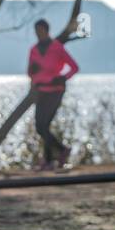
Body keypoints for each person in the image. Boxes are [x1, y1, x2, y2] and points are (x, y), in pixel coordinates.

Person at [28, 18, 79, 170]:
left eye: (40, 30)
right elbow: (30, 72)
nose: (37, 33)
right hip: (41, 91)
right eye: (36, 31)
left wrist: (63, 78)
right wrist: (33, 73)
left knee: (43, 125)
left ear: (46, 30)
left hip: (55, 92)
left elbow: (74, 67)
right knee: (40, 127)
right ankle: (58, 153)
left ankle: (51, 159)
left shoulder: (57, 47)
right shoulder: (34, 50)